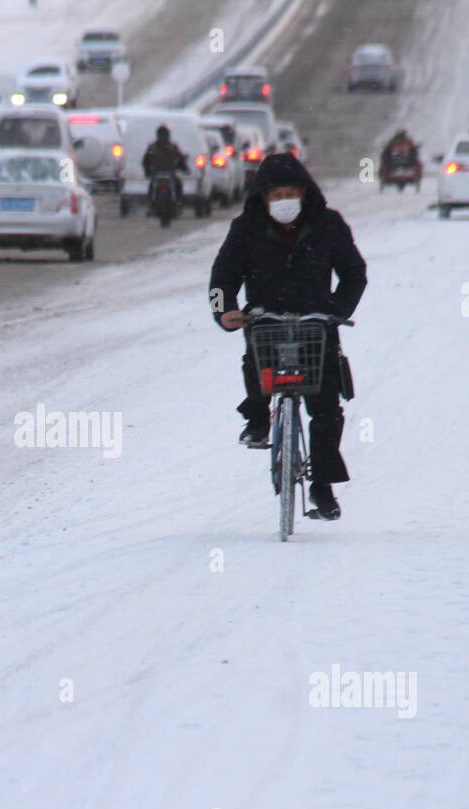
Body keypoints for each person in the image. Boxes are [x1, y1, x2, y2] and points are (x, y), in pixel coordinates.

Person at [209, 153, 367, 521]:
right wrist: (225, 312)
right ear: (262, 198)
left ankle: (322, 487)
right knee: (256, 365)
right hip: (265, 321)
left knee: (327, 407)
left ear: (304, 192)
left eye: (289, 192)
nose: (283, 201)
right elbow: (222, 279)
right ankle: (259, 420)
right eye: (275, 194)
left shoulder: (328, 225)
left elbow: (354, 273)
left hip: (316, 326)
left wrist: (337, 310)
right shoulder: (245, 228)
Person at [142, 124, 189, 205]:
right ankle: (152, 202)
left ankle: (177, 201)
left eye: (164, 135)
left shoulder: (170, 147)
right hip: (160, 173)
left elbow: (180, 158)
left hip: (166, 173)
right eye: (162, 135)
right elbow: (146, 160)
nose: (163, 137)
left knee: (177, 184)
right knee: (153, 186)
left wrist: (184, 168)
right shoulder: (155, 147)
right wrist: (184, 168)